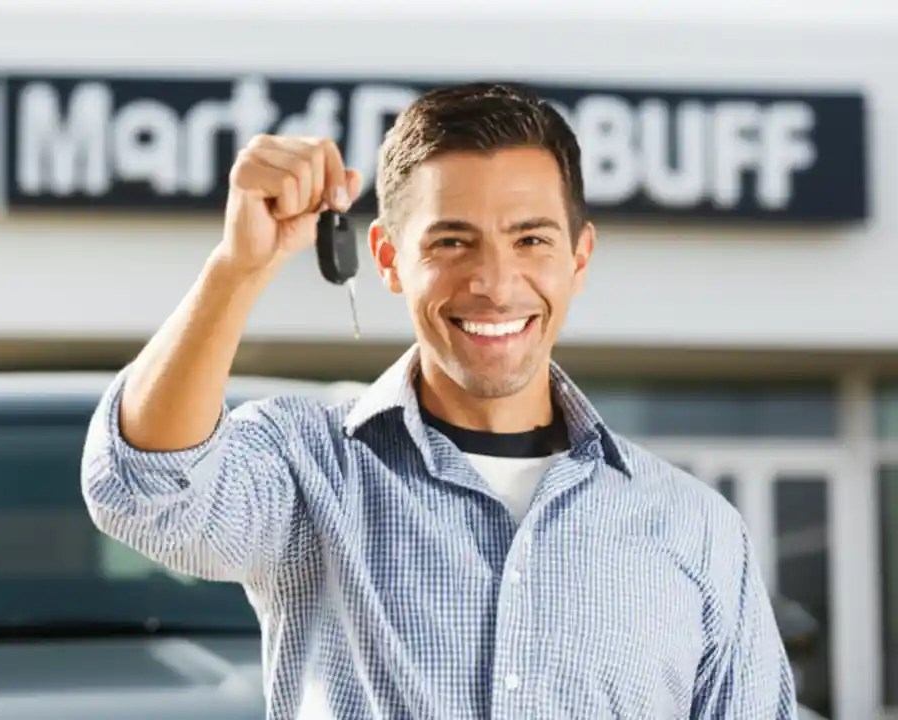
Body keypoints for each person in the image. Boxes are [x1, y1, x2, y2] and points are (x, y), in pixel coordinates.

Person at [80, 82, 796, 719]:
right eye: (452, 242)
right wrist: (238, 269)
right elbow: (145, 491)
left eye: (531, 240)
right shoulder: (306, 466)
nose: (494, 280)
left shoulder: (696, 529)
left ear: (578, 258)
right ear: (389, 259)